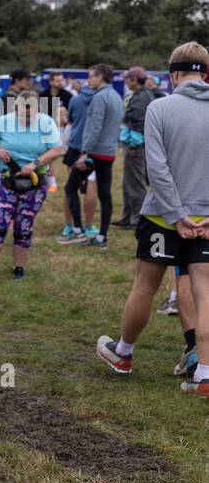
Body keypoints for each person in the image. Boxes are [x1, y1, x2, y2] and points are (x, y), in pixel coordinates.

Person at [97, 42, 209, 395]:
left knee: (145, 286)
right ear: (205, 72)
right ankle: (204, 373)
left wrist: (176, 216)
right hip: (205, 219)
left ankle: (124, 353)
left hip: (163, 216)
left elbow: (156, 168)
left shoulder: (160, 107)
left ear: (174, 73)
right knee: (205, 293)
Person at [0, 90, 62, 279]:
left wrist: (35, 163)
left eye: (30, 110)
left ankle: (19, 269)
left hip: (34, 181)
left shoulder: (46, 123)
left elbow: (57, 149)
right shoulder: (5, 121)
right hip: (6, 179)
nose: (26, 114)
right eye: (22, 109)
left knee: (23, 226)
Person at [62, 64, 121, 247]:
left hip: (94, 153)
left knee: (70, 188)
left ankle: (78, 230)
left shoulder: (100, 97)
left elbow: (94, 128)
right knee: (105, 194)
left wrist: (85, 153)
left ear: (100, 77)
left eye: (91, 77)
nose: (88, 80)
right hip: (109, 153)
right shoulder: (117, 97)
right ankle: (102, 237)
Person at [59, 77, 98, 242]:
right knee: (91, 187)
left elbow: (71, 122)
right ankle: (88, 226)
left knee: (71, 187)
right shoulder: (102, 99)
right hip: (94, 149)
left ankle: (69, 225)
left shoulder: (75, 99)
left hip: (75, 148)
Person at [115, 66, 155, 229]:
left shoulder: (141, 98)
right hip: (134, 144)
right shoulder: (141, 95)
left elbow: (139, 123)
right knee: (127, 182)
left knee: (136, 183)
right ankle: (127, 216)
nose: (125, 81)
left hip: (136, 147)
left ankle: (137, 219)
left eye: (127, 78)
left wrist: (134, 144)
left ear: (134, 80)